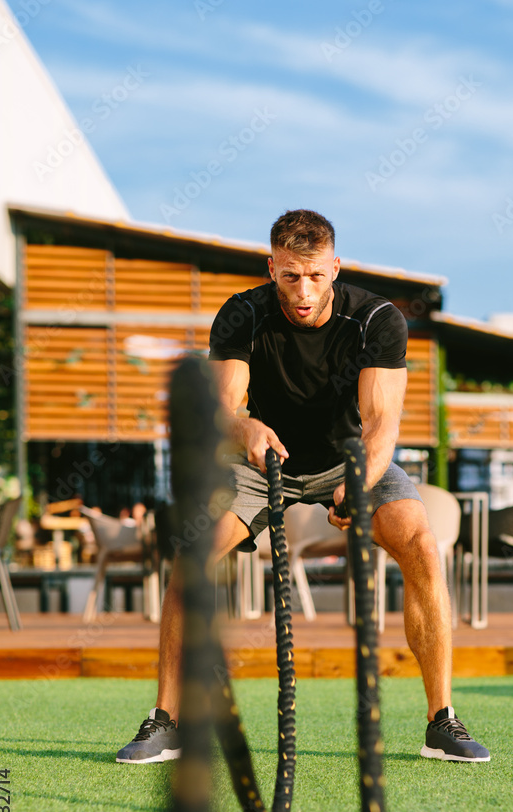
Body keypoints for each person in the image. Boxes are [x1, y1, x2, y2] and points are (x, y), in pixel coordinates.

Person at [116, 209, 490, 764]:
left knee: (419, 545)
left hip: (353, 458)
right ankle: (165, 720)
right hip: (264, 459)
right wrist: (244, 426)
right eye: (290, 275)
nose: (304, 290)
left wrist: (360, 482)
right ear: (272, 268)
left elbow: (382, 422)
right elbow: (222, 410)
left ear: (335, 267)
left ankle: (442, 721)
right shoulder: (243, 314)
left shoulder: (377, 320)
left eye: (316, 275)